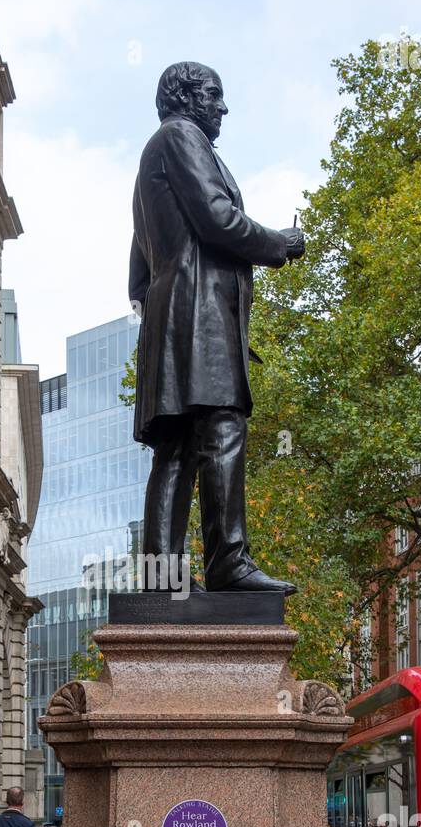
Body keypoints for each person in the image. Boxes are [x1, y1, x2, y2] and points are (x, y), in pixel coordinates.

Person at [129, 61, 304, 593]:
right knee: (222, 429)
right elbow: (217, 218)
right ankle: (228, 561)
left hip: (174, 317)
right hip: (199, 319)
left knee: (178, 444)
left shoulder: (154, 155)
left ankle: (162, 577)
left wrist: (165, 304)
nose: (223, 107)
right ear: (185, 97)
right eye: (214, 95)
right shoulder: (181, 136)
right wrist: (280, 243)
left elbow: (137, 271)